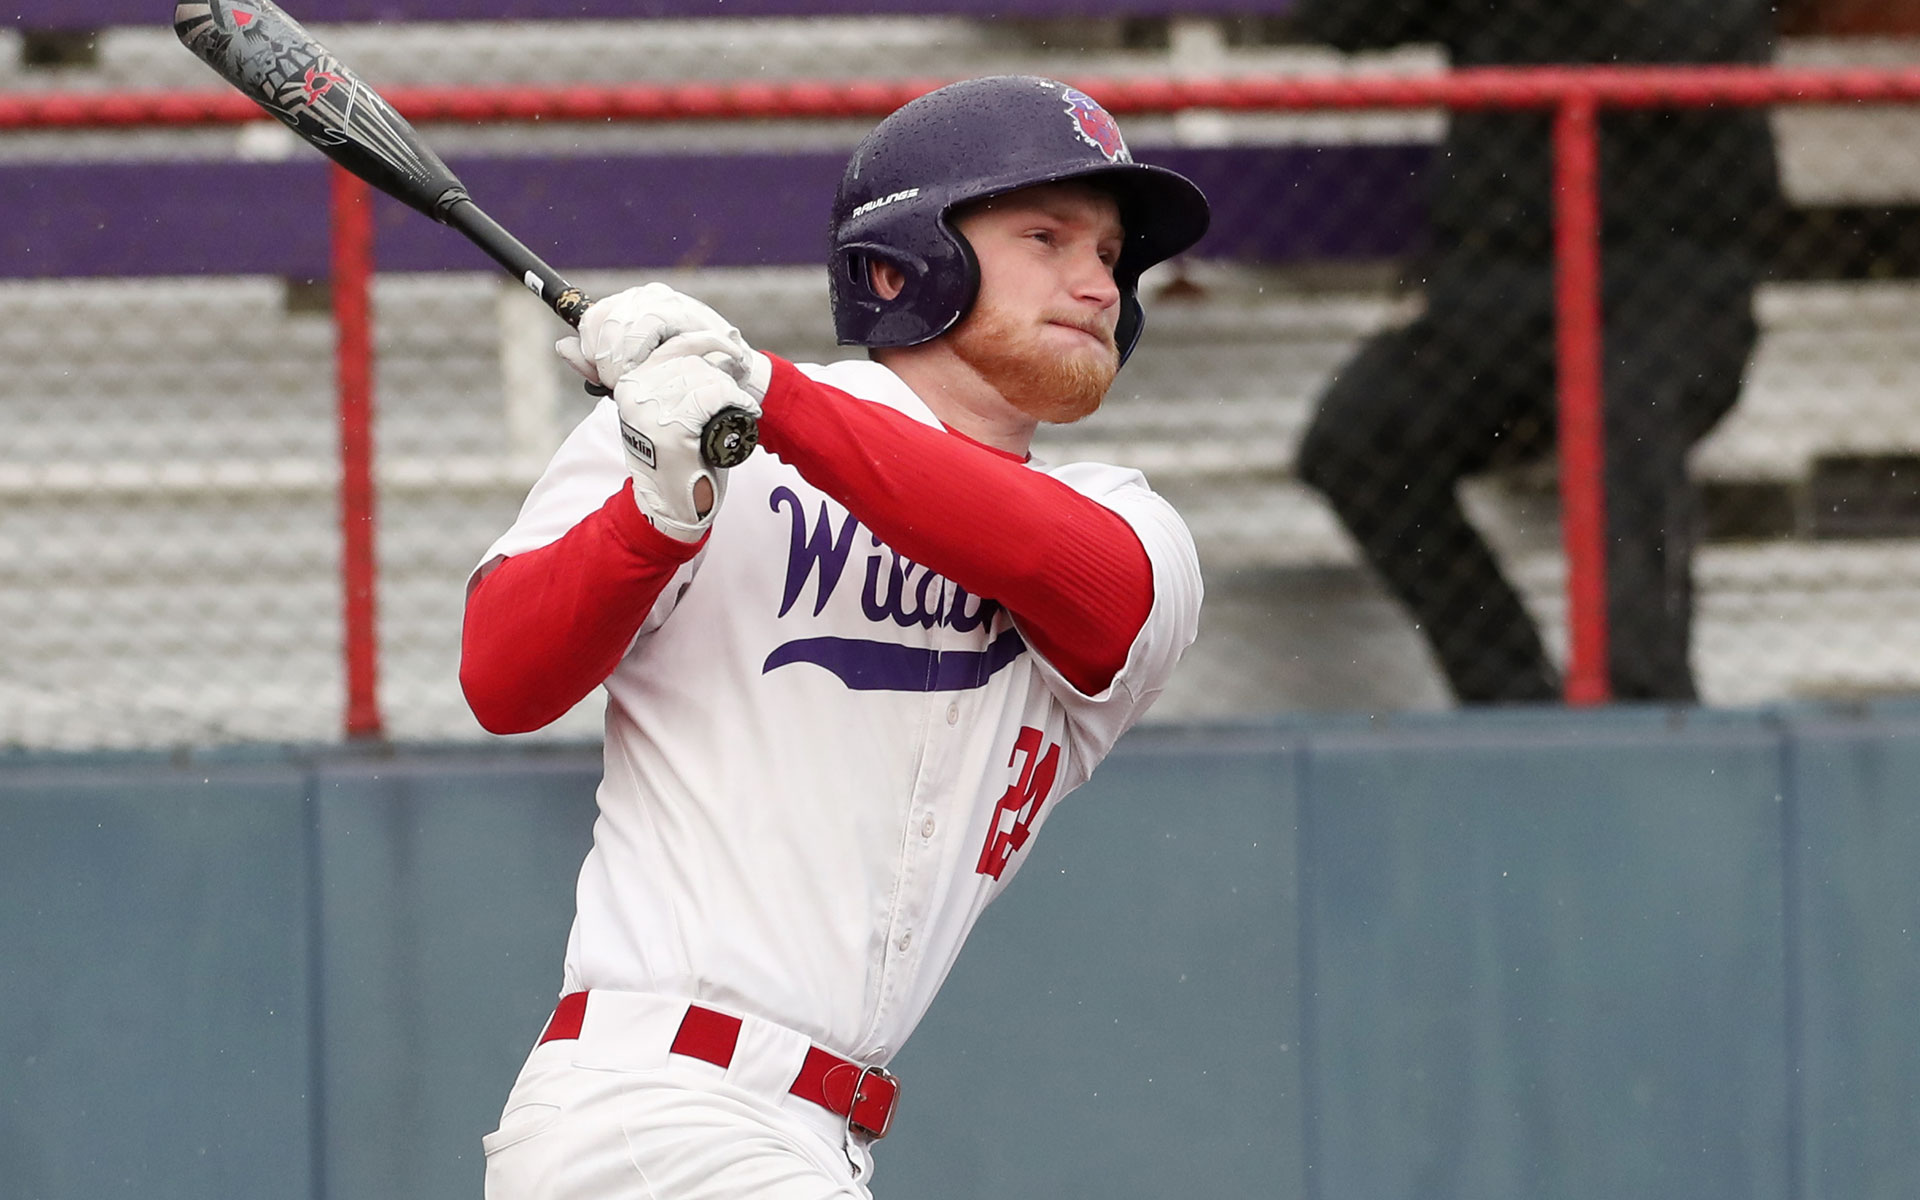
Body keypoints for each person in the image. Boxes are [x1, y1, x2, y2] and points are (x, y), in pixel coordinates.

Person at [459, 75, 1210, 1199]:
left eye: (1110, 253)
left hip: (812, 1135)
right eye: (1045, 236)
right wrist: (655, 515)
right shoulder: (688, 432)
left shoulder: (1127, 524)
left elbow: (1067, 571)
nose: (1096, 281)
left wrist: (766, 392)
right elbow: (504, 679)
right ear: (903, 265)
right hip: (651, 1108)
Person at [1291, 0, 1783, 702]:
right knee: (1356, 440)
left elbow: (1684, 48)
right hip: (1503, 292)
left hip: (1671, 283)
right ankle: (1512, 697)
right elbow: (1339, 22)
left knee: (1627, 407)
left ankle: (1645, 710)